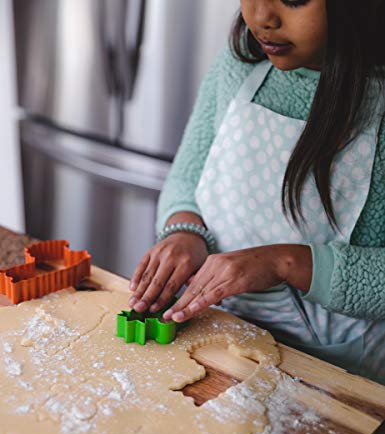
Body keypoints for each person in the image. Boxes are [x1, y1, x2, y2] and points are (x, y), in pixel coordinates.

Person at [128, 0, 385, 384]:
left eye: (294, 0)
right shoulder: (237, 67)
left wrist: (283, 263)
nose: (263, 18)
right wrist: (185, 231)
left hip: (341, 373)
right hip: (220, 341)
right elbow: (185, 180)